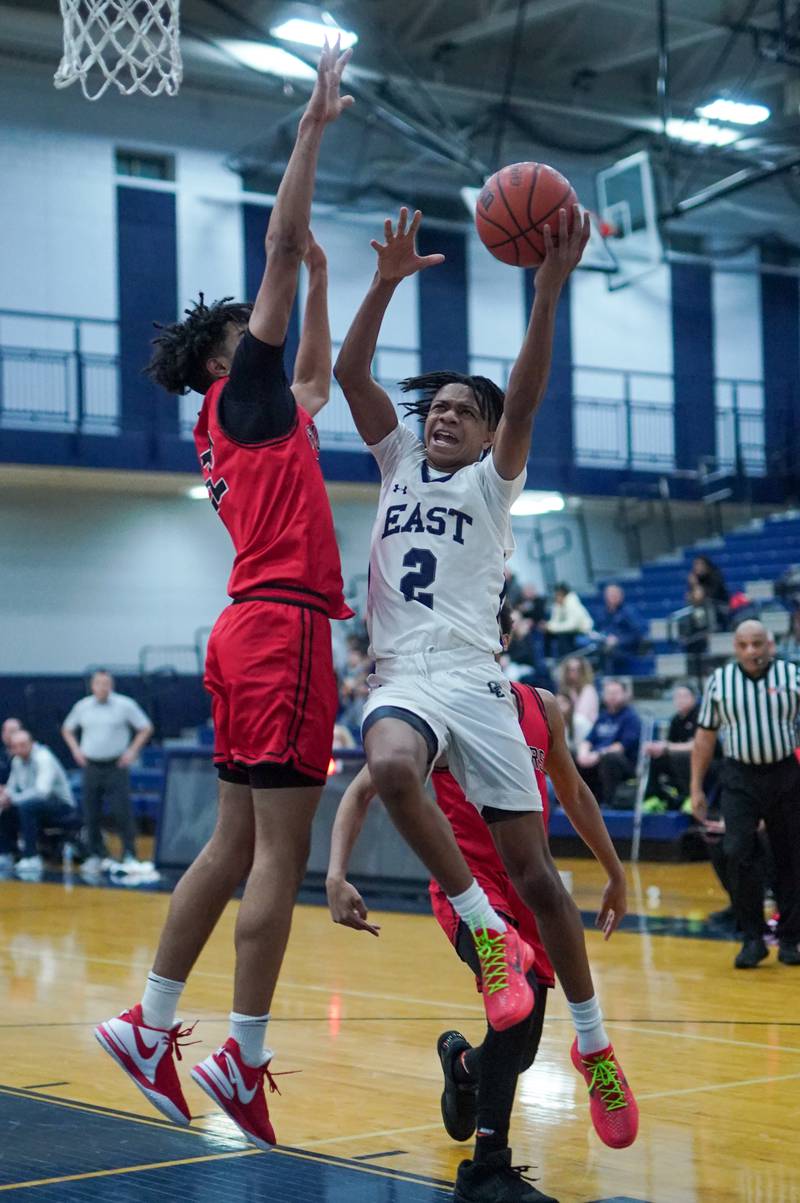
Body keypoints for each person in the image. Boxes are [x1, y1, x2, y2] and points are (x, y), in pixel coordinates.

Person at [95, 44, 357, 1151]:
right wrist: (309, 127)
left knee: (231, 844)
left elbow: (312, 376)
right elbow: (278, 250)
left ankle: (149, 1025)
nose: (265, 318)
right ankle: (238, 1062)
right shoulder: (237, 389)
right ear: (220, 357)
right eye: (244, 325)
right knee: (275, 859)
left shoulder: (243, 419)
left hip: (248, 629)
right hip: (283, 625)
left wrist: (339, 287)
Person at [334, 203, 637, 1125]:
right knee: (387, 766)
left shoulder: (492, 484)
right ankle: (481, 927)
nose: (445, 418)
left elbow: (528, 391)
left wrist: (547, 291)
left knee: (541, 879)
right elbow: (350, 371)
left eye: (465, 411)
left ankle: (594, 1047)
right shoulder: (394, 461)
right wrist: (384, 282)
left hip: (479, 676)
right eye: (440, 408)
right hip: (405, 673)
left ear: (486, 431)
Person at [327, 682, 636, 1202]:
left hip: (531, 887)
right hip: (468, 887)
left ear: (502, 637)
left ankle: (464, 1067)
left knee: (522, 1053)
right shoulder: (441, 705)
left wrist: (614, 872)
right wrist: (336, 873)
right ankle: (487, 1169)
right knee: (515, 1011)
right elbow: (363, 789)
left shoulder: (542, 707)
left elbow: (575, 792)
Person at [691, 619, 800, 969]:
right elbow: (705, 737)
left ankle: (790, 938)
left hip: (786, 774)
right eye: (744, 645)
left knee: (791, 855)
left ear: (770, 644)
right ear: (735, 648)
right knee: (737, 852)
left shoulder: (792, 676)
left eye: (758, 644)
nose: (752, 651)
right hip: (738, 777)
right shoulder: (720, 682)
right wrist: (696, 785)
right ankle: (752, 938)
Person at [61, 671, 154, 873]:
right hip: (91, 765)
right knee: (91, 811)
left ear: (111, 685)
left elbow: (145, 727)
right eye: (98, 683)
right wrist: (76, 750)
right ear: (92, 686)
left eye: (106, 683)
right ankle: (95, 854)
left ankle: (129, 853)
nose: (102, 687)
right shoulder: (83, 706)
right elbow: (67, 729)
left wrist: (132, 752)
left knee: (122, 811)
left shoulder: (125, 705)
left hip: (116, 765)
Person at [0, 730, 76, 875]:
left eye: (23, 745)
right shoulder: (17, 761)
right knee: (6, 807)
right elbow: (11, 786)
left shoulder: (44, 757)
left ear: (32, 743)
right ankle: (6, 854)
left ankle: (32, 857)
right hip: (31, 804)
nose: (19, 749)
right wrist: (5, 798)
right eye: (15, 746)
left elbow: (42, 792)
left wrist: (13, 799)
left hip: (60, 805)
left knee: (26, 806)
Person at [577, 679, 641, 808]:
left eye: (616, 693)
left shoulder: (631, 717)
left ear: (625, 694)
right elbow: (588, 740)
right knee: (572, 757)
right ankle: (579, 801)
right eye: (609, 693)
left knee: (609, 759)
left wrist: (598, 755)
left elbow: (621, 747)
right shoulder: (603, 717)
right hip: (597, 757)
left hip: (623, 763)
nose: (612, 696)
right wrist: (582, 754)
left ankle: (608, 802)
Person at [643, 683, 699, 807]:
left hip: (706, 762)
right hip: (680, 761)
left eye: (685, 696)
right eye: (677, 696)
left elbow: (698, 745)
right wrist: (659, 749)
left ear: (694, 698)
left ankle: (690, 797)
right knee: (656, 758)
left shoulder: (700, 716)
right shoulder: (675, 720)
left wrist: (666, 747)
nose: (680, 700)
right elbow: (670, 744)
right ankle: (655, 797)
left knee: (679, 756)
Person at [595, 584, 644, 674]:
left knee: (611, 652)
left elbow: (638, 633)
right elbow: (598, 629)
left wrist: (618, 640)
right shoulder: (601, 613)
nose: (611, 598)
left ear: (621, 596)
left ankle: (609, 678)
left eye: (614, 595)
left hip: (627, 648)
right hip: (605, 645)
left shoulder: (629, 612)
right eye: (609, 595)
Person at [542, 582, 594, 659]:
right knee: (548, 632)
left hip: (581, 632)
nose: (555, 597)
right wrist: (548, 626)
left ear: (561, 594)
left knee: (562, 635)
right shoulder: (558, 604)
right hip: (568, 632)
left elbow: (572, 625)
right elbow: (554, 621)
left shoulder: (572, 603)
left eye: (556, 594)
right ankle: (548, 659)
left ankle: (566, 660)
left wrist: (551, 627)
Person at [556, 656, 598, 725]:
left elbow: (581, 717)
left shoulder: (589, 690)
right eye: (570, 669)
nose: (574, 672)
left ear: (583, 671)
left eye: (578, 669)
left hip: (585, 727)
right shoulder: (565, 690)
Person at [0, 717, 22, 786]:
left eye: (12, 731)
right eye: (4, 730)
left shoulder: (24, 755)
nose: (7, 734)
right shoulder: (2, 753)